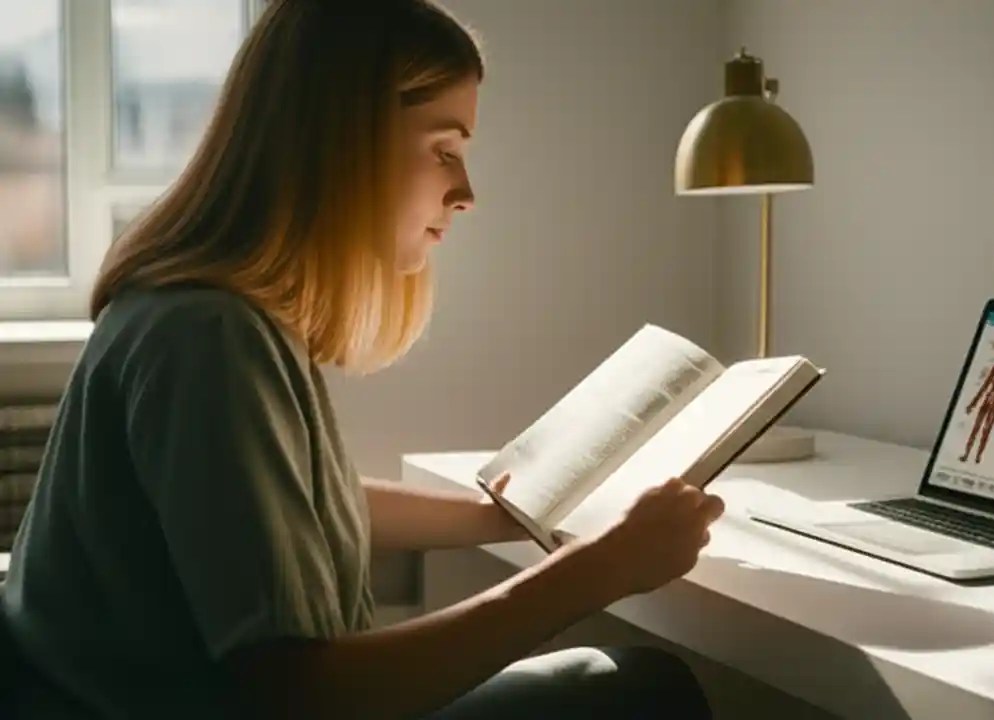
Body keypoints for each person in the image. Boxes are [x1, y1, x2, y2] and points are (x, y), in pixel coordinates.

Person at [0, 2, 721, 718]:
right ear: (344, 144)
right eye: (445, 150)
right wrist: (601, 570)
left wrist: (495, 516)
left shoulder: (206, 315)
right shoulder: (208, 339)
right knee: (641, 690)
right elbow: (304, 693)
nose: (466, 195)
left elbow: (291, 505)